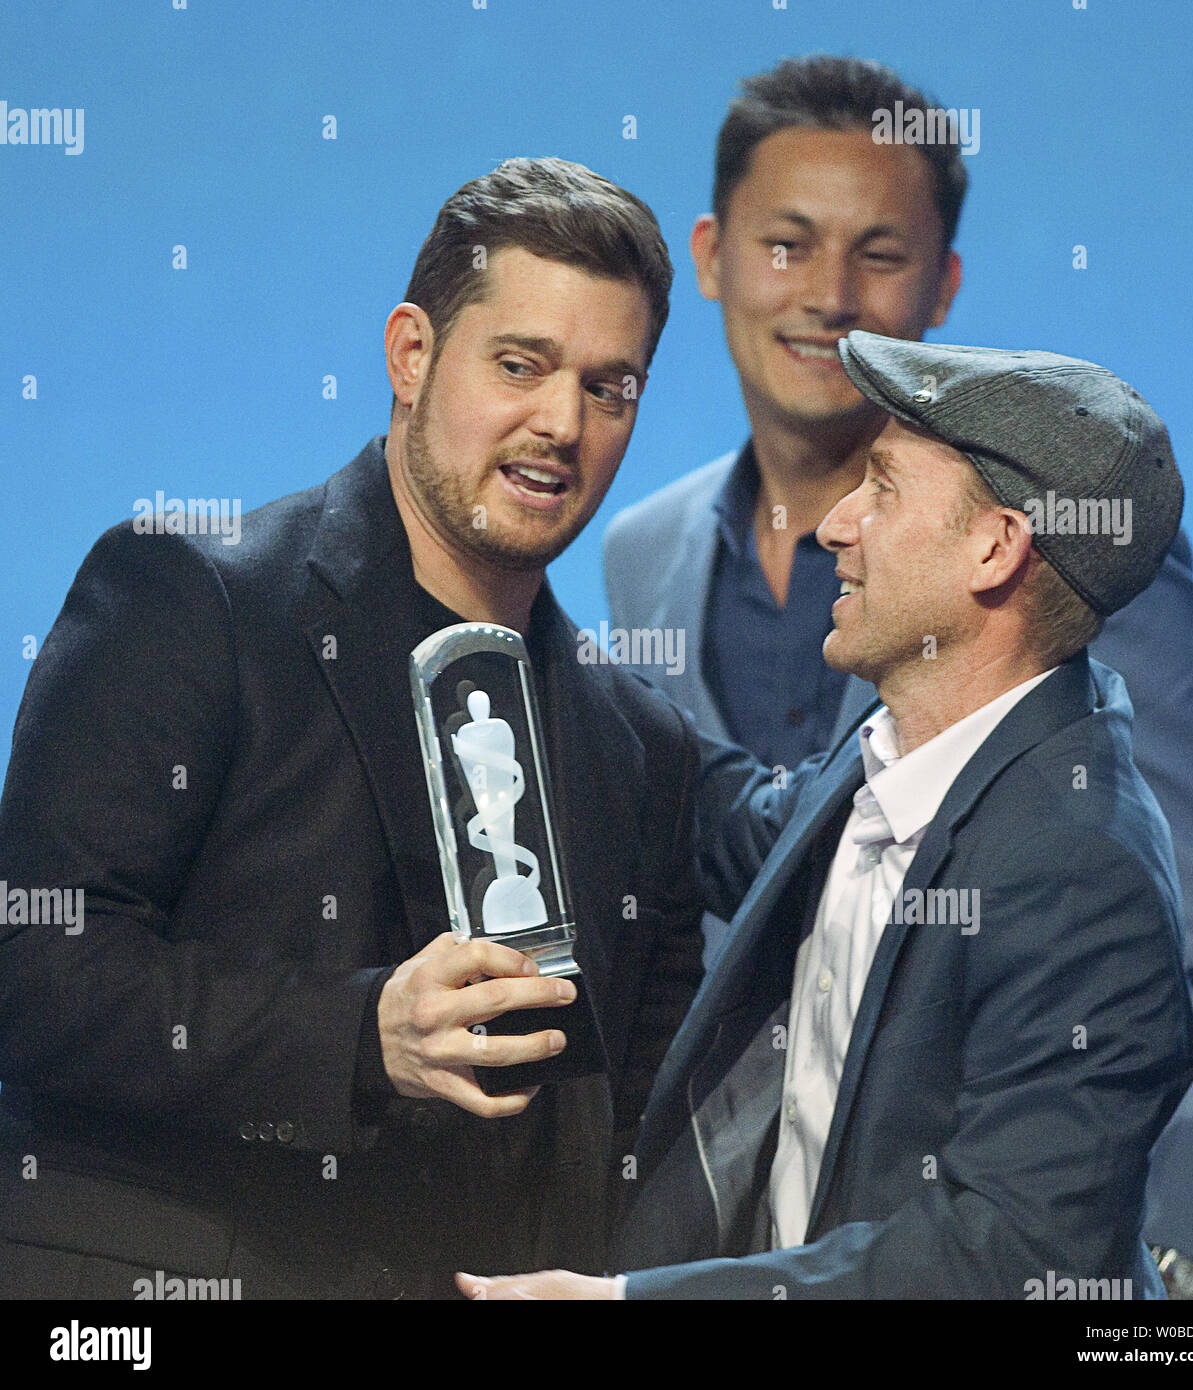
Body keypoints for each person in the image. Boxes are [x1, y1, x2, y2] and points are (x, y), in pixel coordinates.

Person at [602, 53, 1193, 1299]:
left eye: (878, 252)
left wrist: (1173, 1260)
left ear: (942, 280)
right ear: (712, 255)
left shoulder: (1071, 546)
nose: (827, 296)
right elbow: (740, 849)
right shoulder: (640, 552)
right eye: (786, 244)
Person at [0, 157, 704, 1299]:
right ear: (412, 353)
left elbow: (640, 1130)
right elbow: (30, 961)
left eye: (609, 386)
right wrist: (359, 1035)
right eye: (519, 364)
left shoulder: (644, 748)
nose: (561, 423)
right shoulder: (193, 597)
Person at [459, 332, 1193, 1299]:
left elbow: (1013, 1260)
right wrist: (510, 600)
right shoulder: (889, 760)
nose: (833, 526)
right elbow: (719, 810)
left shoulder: (1080, 870)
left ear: (996, 548)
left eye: (883, 488)